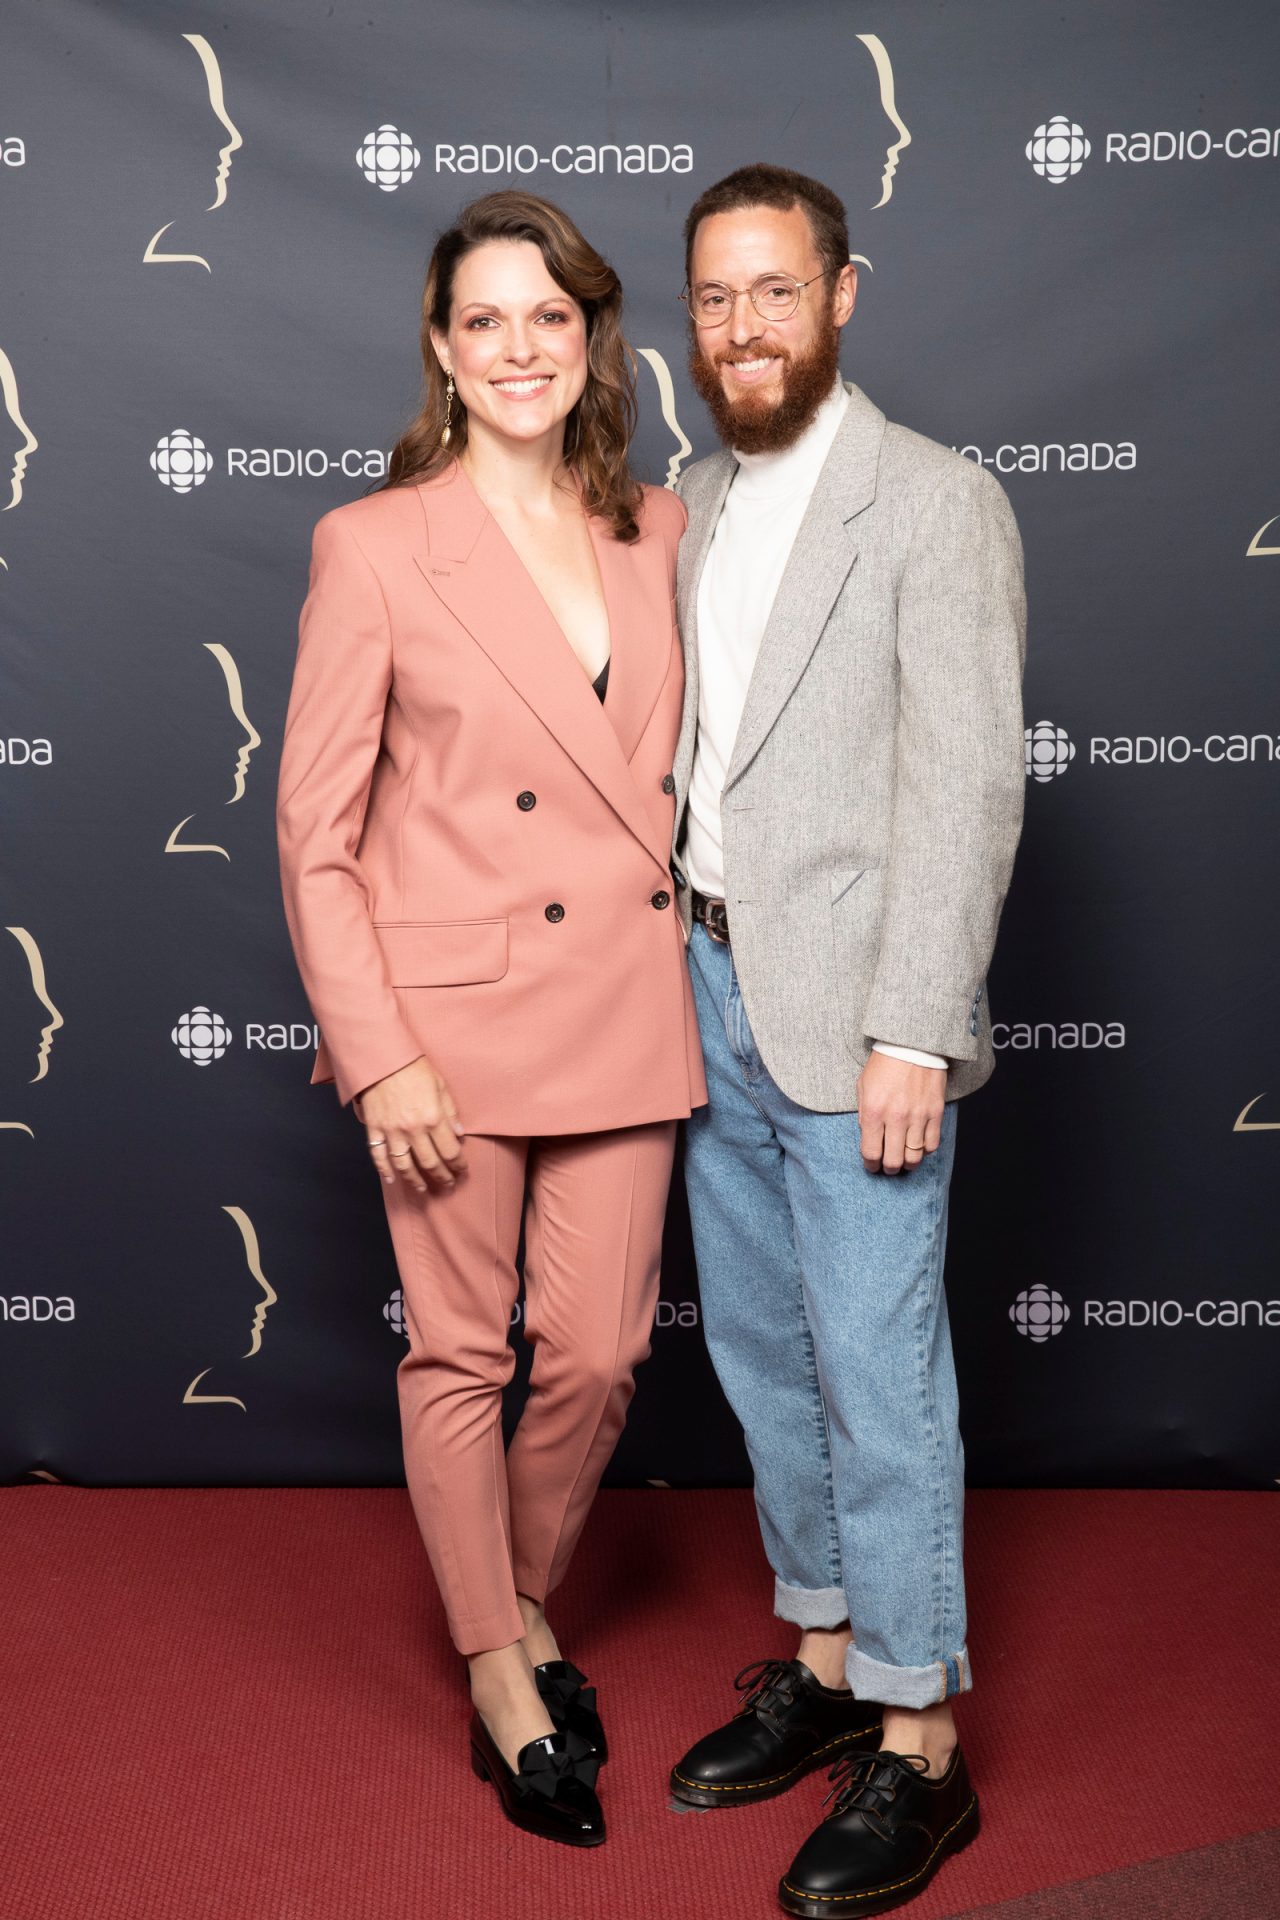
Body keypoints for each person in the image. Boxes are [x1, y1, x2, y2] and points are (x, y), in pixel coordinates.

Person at [276, 189, 705, 1850]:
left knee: (595, 1358)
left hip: (619, 998)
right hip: (447, 1029)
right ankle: (502, 1670)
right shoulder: (376, 542)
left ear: (591, 337)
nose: (518, 348)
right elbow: (314, 833)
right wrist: (378, 1050)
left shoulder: (658, 529)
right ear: (443, 353)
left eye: (549, 317)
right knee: (465, 1352)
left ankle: (515, 1597)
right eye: (483, 322)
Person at [665, 165, 1026, 1916]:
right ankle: (820, 1665)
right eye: (717, 298)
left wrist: (915, 1026)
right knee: (762, 1358)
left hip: (861, 1015)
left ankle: (921, 1747)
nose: (745, 327)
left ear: (843, 293)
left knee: (880, 1379)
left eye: (776, 291)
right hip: (704, 994)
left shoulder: (936, 503)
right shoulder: (688, 496)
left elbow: (966, 786)